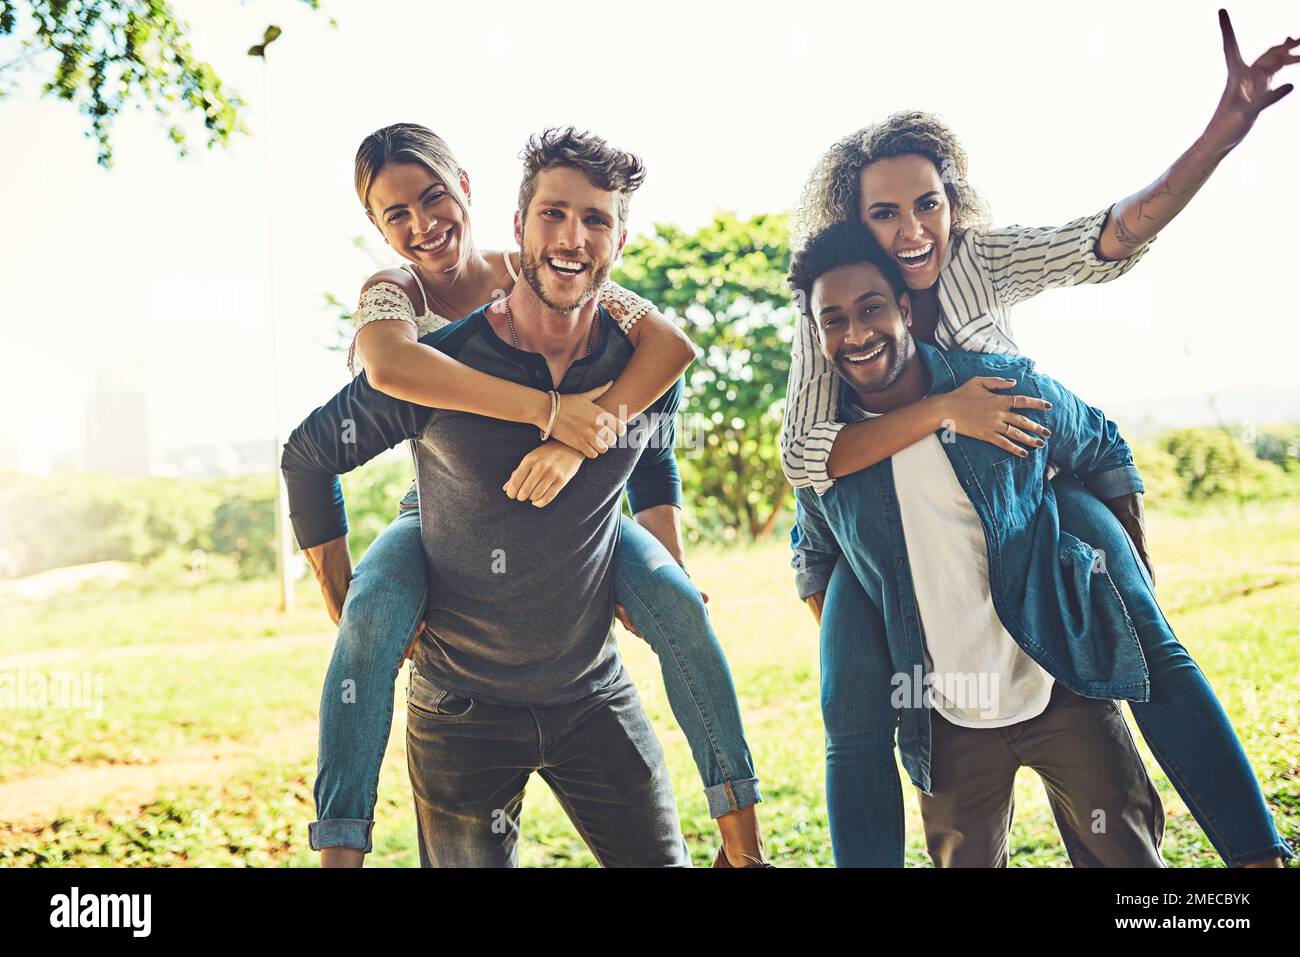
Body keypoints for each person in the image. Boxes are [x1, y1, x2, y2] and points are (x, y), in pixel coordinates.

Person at [301, 123, 768, 868]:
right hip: (438, 510)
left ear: (468, 189)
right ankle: (339, 847)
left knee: (680, 602)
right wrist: (551, 415)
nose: (423, 226)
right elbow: (385, 375)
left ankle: (744, 846)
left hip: (588, 515)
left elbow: (666, 366)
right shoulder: (393, 297)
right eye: (396, 215)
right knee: (365, 623)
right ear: (376, 225)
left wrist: (590, 450)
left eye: (434, 198)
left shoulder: (538, 269)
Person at [788, 221, 1291, 867]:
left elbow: (1103, 445)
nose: (855, 333)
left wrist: (1127, 563)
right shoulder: (828, 458)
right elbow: (814, 552)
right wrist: (872, 651)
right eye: (834, 319)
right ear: (817, 333)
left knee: (1128, 862)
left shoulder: (996, 387)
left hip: (1064, 685)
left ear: (906, 308)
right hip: (946, 722)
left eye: (871, 308)